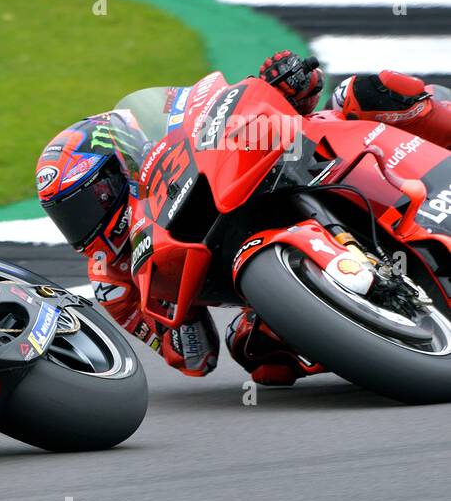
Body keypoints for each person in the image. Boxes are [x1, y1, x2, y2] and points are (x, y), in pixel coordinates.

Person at [38, 51, 451, 386]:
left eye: (87, 202)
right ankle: (389, 343)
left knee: (364, 92)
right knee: (256, 351)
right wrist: (171, 315)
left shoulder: (165, 153)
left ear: (116, 173)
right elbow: (194, 358)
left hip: (326, 156)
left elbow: (276, 105)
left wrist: (290, 86)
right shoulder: (113, 281)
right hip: (262, 264)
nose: (83, 224)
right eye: (67, 216)